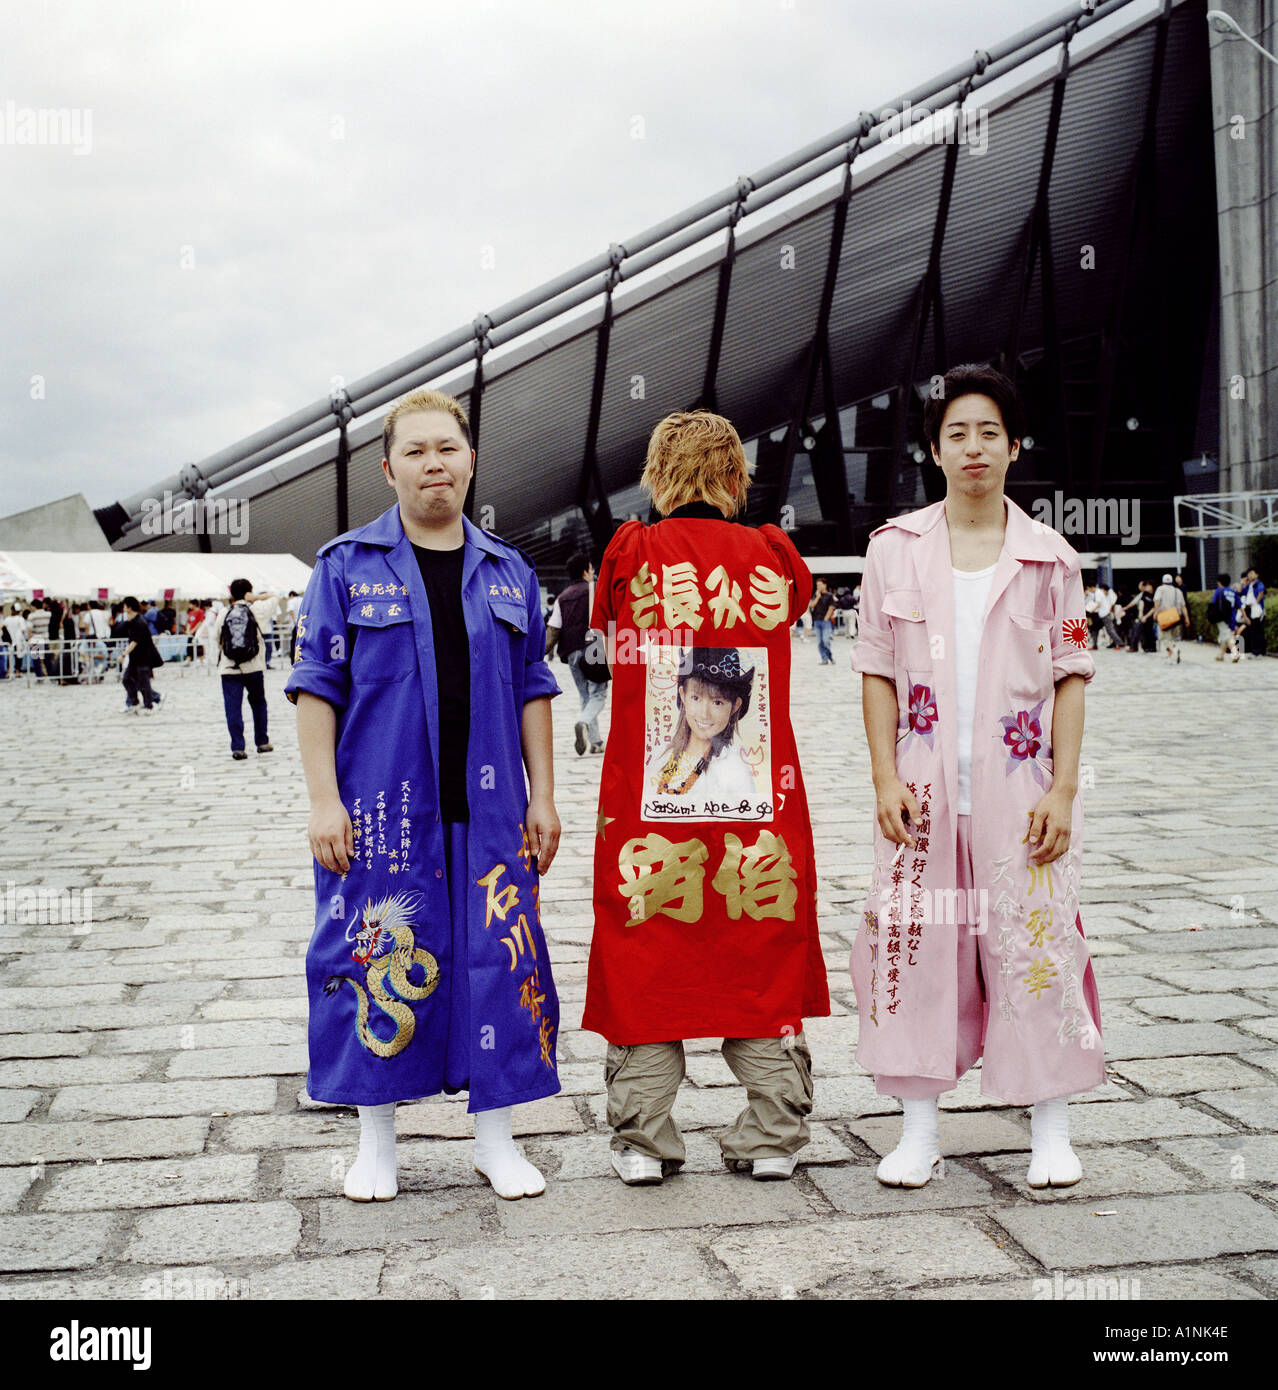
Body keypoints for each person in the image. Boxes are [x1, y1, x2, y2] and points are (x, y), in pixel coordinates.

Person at [286, 387, 563, 1204]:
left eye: (447, 448)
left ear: (471, 459)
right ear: (388, 467)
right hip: (381, 816)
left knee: (498, 957)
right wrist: (323, 800)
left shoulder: (508, 570)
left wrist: (542, 795)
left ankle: (496, 1137)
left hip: (489, 816)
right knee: (373, 957)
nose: (434, 463)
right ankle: (377, 1141)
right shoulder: (345, 567)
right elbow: (315, 689)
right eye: (415, 451)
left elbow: (533, 688)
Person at [849, 363, 1103, 1190]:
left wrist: (1063, 789)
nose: (973, 447)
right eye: (957, 433)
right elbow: (878, 672)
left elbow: (1072, 671)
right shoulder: (894, 552)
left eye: (989, 432)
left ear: (1014, 445)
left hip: (1021, 792)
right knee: (917, 947)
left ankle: (1050, 1126)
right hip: (920, 795)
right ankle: (919, 1130)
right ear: (934, 449)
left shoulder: (1051, 561)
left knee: (1036, 947)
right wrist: (885, 776)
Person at [584, 409, 829, 1186]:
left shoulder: (632, 555)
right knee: (759, 946)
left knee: (645, 952)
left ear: (655, 479)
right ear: (735, 481)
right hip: (758, 804)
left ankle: (643, 1141)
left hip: (647, 806)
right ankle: (772, 1133)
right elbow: (795, 604)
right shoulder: (770, 556)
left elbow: (605, 624)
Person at [644, 648, 757, 801]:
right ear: (683, 695)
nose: (704, 714)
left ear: (735, 706)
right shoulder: (659, 756)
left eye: (717, 702)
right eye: (696, 698)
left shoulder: (734, 767)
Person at [545, 551, 606, 755]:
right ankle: (583, 721)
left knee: (584, 696)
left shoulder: (563, 597)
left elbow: (553, 629)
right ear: (585, 571)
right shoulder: (596, 589)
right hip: (594, 650)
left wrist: (537, 656)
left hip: (571, 653)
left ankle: (596, 742)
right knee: (597, 695)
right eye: (591, 569)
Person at [213, 581, 281, 759]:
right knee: (258, 704)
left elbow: (216, 637)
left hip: (229, 668)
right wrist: (257, 597)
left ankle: (238, 747)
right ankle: (262, 742)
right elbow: (276, 596)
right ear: (249, 593)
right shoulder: (257, 610)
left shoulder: (223, 613)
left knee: (233, 707)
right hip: (254, 667)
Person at [119, 596, 164, 713]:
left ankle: (150, 705)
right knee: (127, 679)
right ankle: (135, 703)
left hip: (144, 657)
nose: (123, 608)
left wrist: (123, 654)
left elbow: (134, 641)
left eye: (124, 606)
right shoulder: (132, 620)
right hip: (135, 658)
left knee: (144, 683)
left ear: (129, 607)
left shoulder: (139, 622)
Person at [1152, 572, 1188, 664]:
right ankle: (1169, 658)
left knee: (1164, 638)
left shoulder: (1160, 589)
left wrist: (1156, 612)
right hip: (1176, 617)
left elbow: (1157, 601)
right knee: (1171, 638)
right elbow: (1184, 606)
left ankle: (1175, 650)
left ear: (1163, 582)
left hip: (1164, 617)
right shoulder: (1178, 591)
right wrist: (1187, 618)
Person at [1208, 573, 1241, 663]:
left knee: (1227, 636)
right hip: (1232, 617)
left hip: (1222, 617)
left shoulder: (1218, 591)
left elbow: (1213, 604)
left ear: (1219, 582)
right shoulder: (1233, 592)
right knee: (1225, 635)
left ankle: (1235, 653)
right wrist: (1245, 616)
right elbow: (1239, 605)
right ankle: (1221, 655)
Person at [1240, 566, 1267, 657]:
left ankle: (1259, 651)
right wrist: (1242, 584)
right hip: (1250, 610)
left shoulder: (1259, 584)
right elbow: (1241, 592)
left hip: (1257, 609)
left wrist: (1256, 602)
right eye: (1249, 574)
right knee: (1253, 630)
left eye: (1252, 573)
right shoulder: (1249, 585)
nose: (1250, 575)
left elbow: (1261, 592)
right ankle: (1256, 650)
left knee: (1258, 630)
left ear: (1257, 574)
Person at [810, 577, 836, 664]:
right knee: (819, 642)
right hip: (817, 621)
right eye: (817, 585)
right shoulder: (816, 595)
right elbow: (812, 606)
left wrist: (826, 618)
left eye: (820, 585)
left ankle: (830, 656)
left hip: (825, 622)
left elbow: (831, 607)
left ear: (825, 585)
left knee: (826, 640)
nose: (818, 587)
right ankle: (824, 659)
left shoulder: (829, 595)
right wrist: (817, 597)